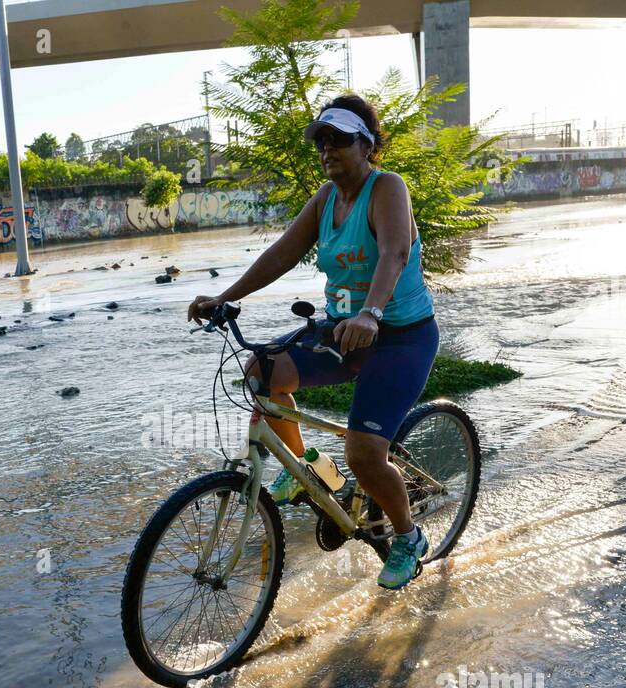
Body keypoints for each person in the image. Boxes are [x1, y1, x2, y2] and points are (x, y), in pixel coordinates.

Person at [186, 95, 439, 591]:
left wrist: (371, 312)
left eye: (339, 140)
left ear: (367, 144)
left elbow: (394, 252)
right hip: (342, 331)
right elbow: (281, 254)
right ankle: (304, 470)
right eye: (321, 141)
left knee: (364, 454)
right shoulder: (326, 198)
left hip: (399, 338)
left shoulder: (386, 187)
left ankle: (408, 536)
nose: (328, 150)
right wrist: (224, 296)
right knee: (261, 373)